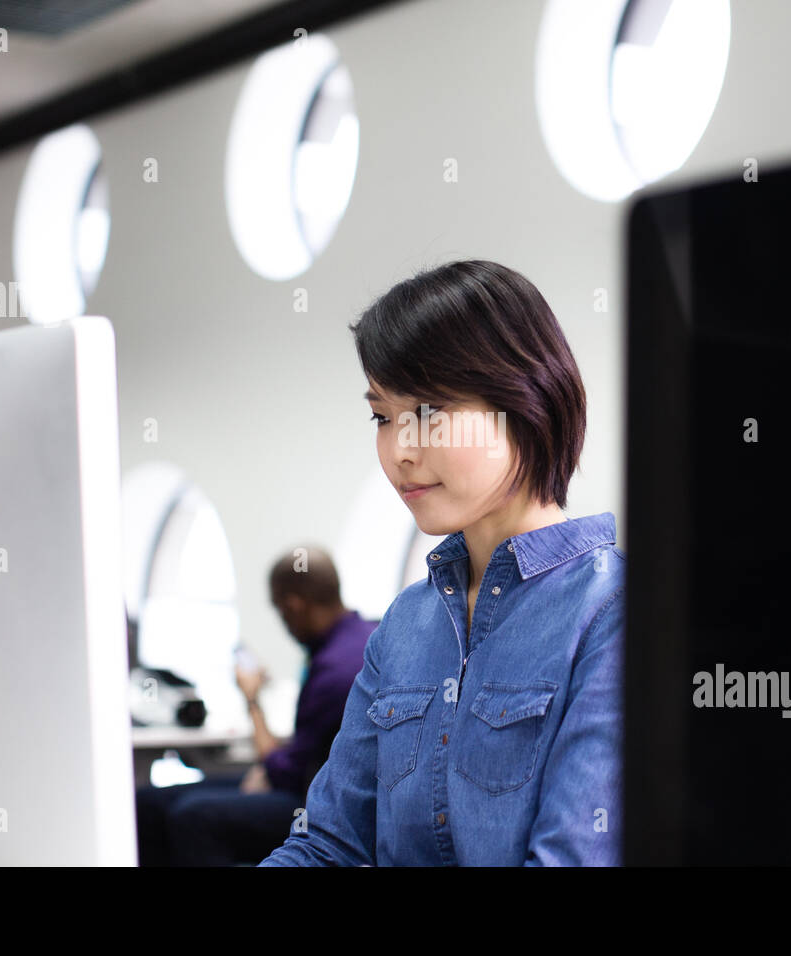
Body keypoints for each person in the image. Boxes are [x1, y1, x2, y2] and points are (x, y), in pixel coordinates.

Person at [259, 259, 625, 866]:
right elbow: (329, 845)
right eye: (382, 416)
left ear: (525, 399)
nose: (399, 450)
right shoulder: (405, 623)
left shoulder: (612, 612)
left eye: (428, 412)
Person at [134, 547, 375, 865]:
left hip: (314, 800)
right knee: (152, 802)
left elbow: (284, 772)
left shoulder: (333, 668)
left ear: (294, 605)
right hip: (318, 783)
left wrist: (251, 698)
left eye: (281, 611)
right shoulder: (366, 637)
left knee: (193, 816)